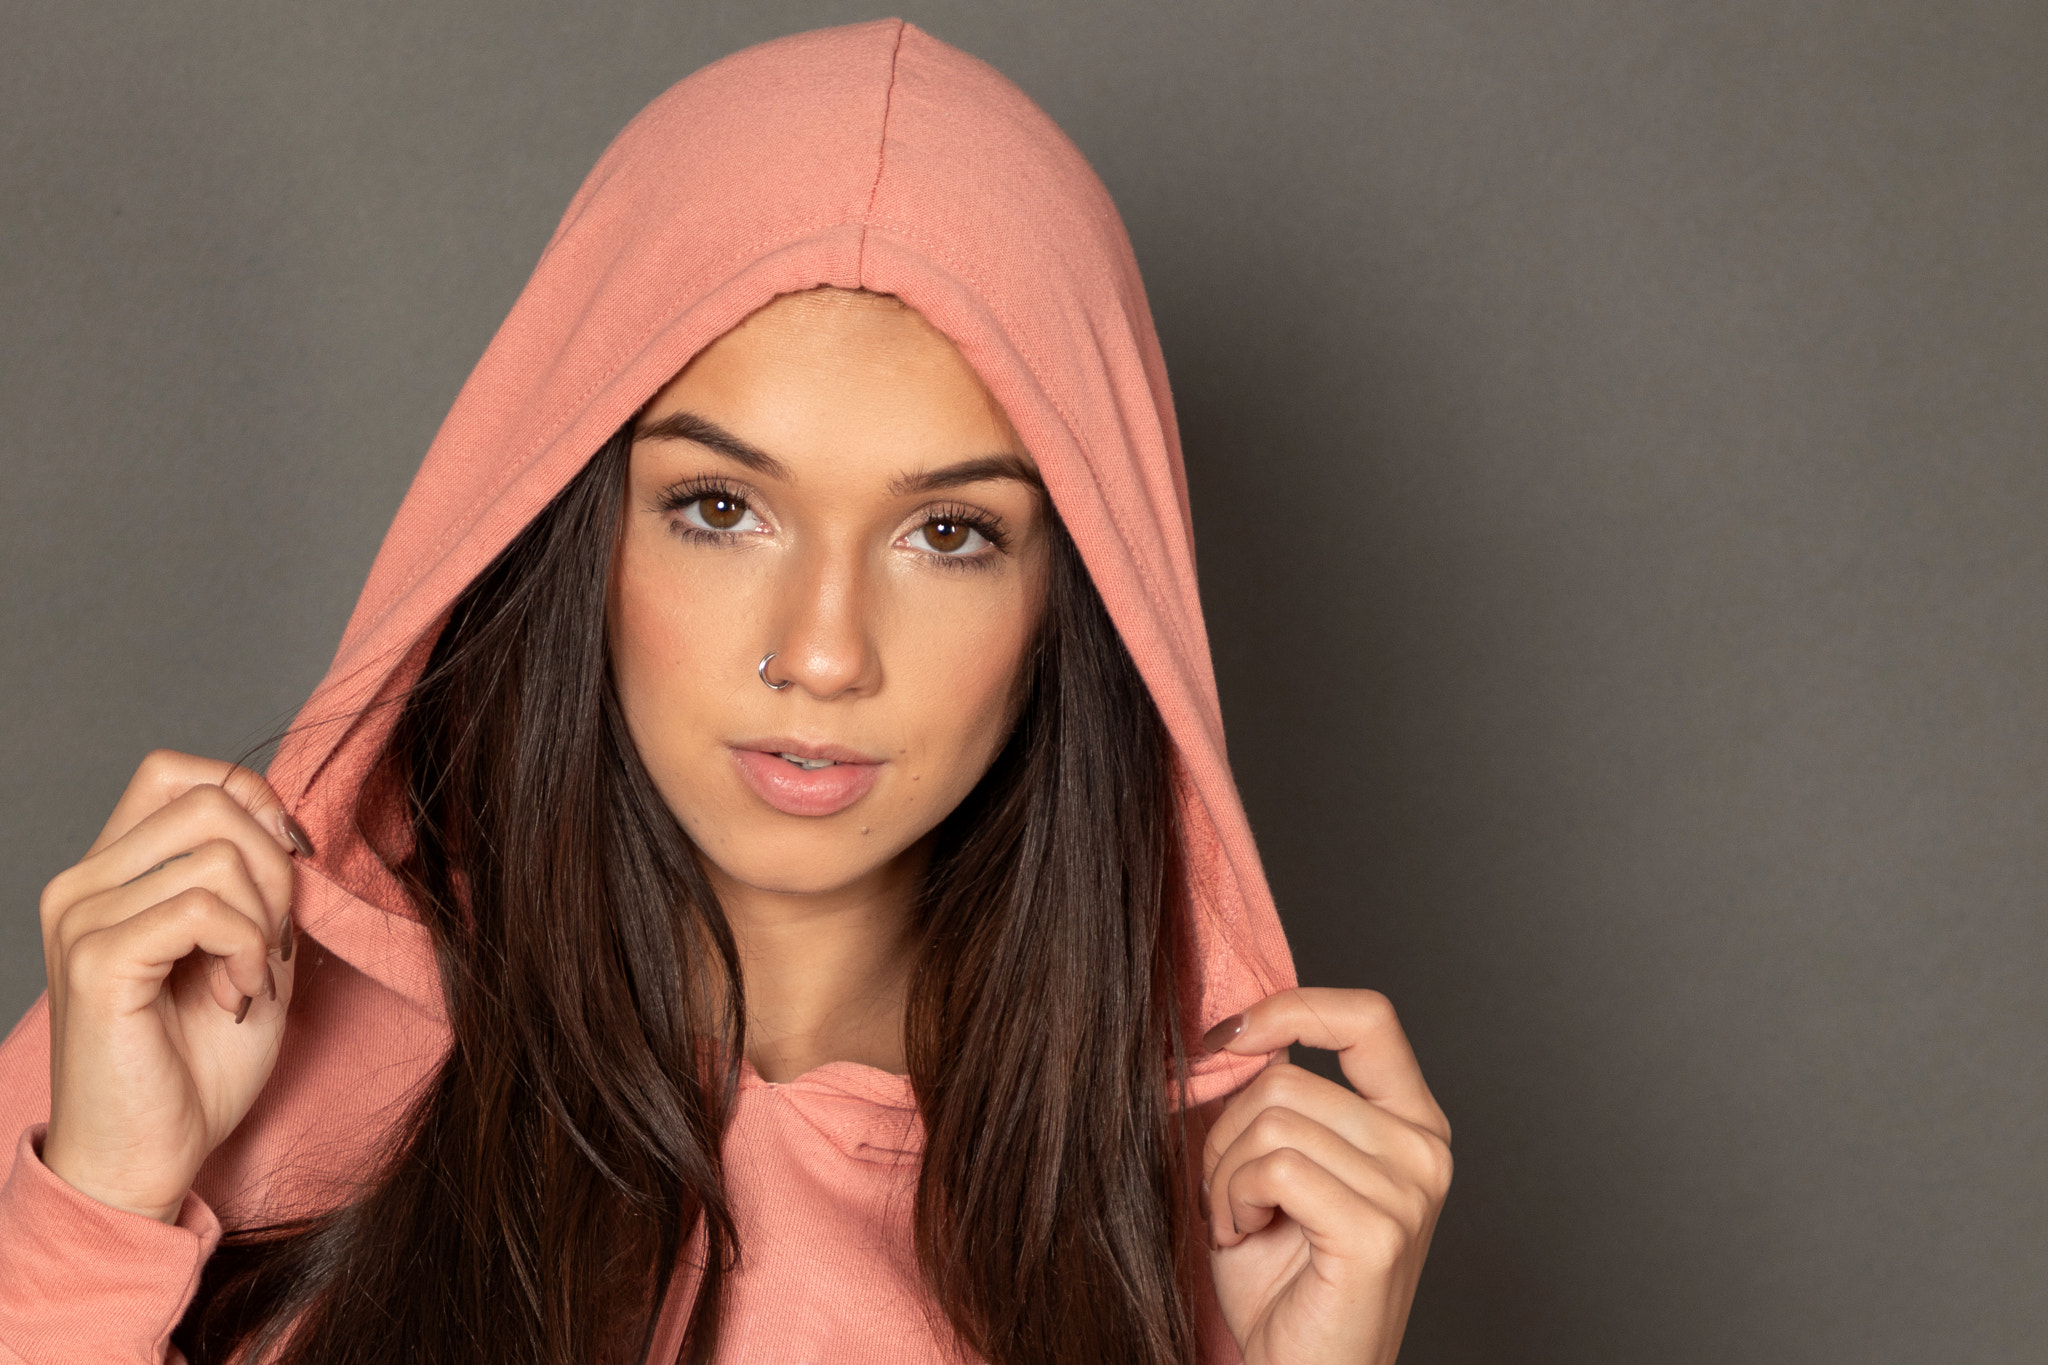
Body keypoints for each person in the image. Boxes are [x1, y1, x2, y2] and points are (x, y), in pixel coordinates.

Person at [0, 19, 1450, 1365]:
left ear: (1072, 602)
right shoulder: (192, 1041)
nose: (823, 651)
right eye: (717, 506)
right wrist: (93, 1218)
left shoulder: (1221, 1229)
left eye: (948, 532)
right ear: (581, 533)